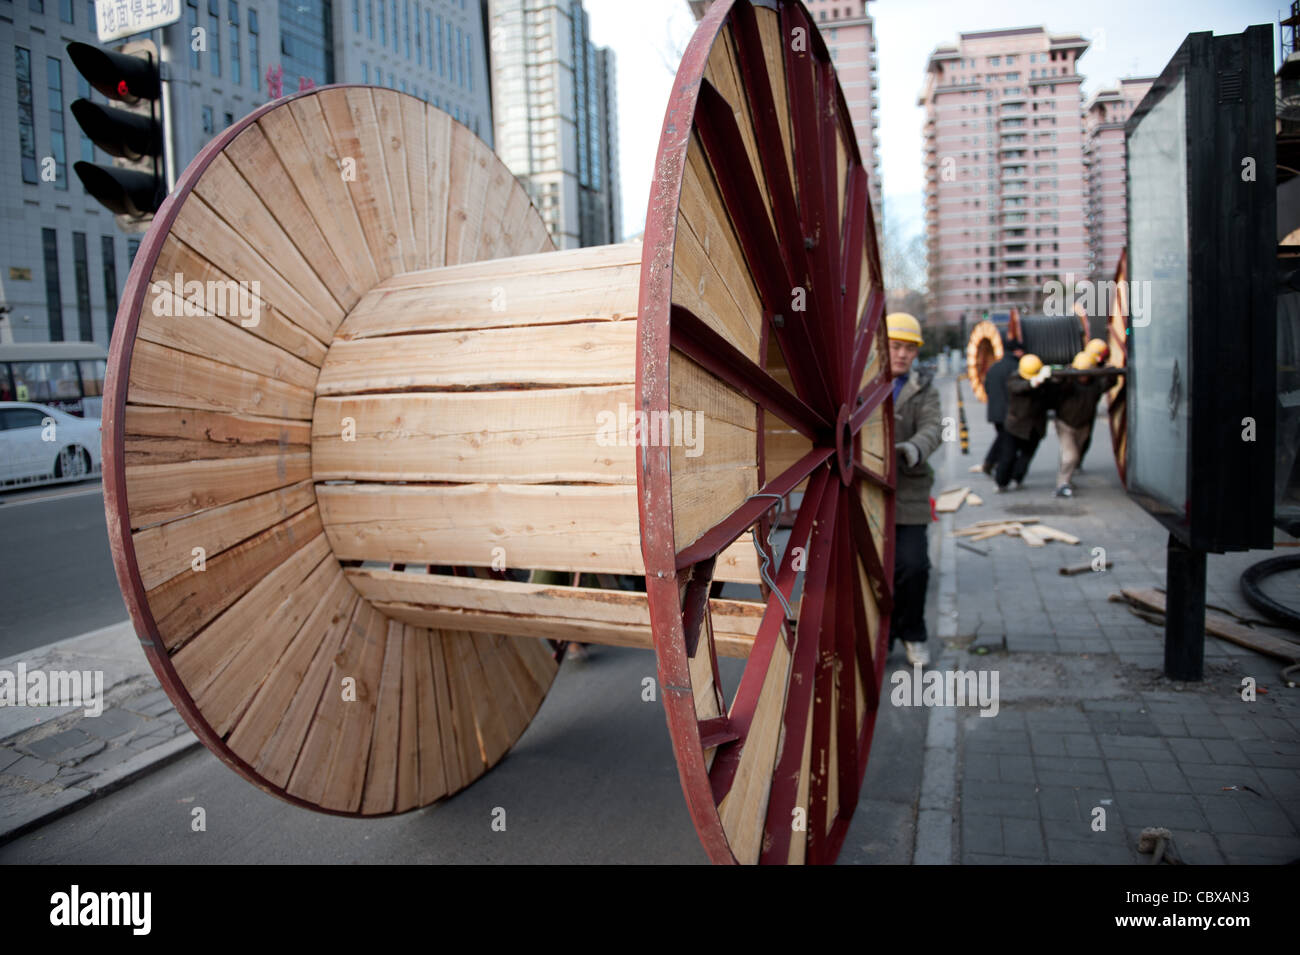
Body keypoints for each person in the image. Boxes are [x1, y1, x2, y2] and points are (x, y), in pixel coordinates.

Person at [886, 313, 943, 667]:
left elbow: (934, 428)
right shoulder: (862, 385)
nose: (902, 354)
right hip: (863, 492)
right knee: (875, 571)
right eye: (895, 346)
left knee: (913, 566)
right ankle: (883, 634)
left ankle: (913, 634)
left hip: (908, 490)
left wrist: (913, 447)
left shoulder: (924, 389)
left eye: (909, 348)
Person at [997, 353, 1053, 491]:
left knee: (1026, 457)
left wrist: (1051, 378)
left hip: (1035, 428)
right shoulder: (1014, 379)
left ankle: (1017, 478)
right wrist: (1035, 381)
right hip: (1015, 426)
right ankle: (1001, 482)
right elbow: (1020, 387)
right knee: (1008, 456)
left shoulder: (1044, 381)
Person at [979, 337, 1024, 476]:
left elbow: (987, 388)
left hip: (994, 412)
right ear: (1017, 351)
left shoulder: (994, 367)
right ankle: (999, 469)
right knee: (1007, 443)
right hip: (1009, 413)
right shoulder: (1016, 367)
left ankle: (990, 463)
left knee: (1002, 438)